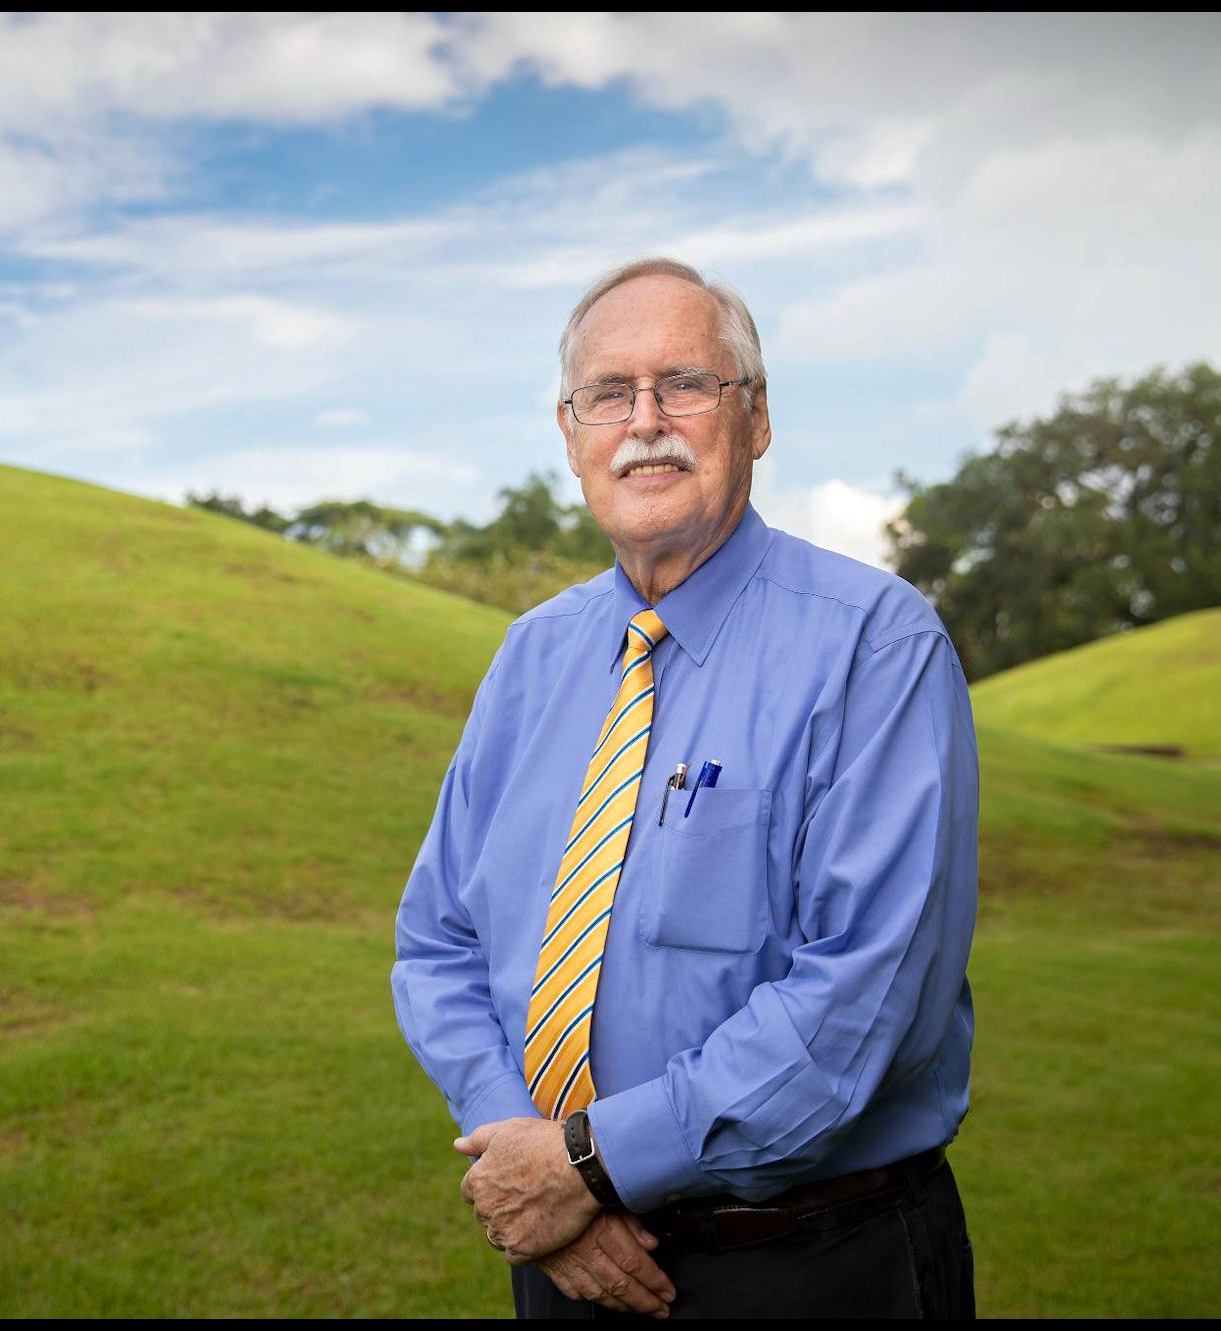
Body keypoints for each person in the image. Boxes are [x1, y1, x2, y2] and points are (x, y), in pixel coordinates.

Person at [390, 257, 980, 1319]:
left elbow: (863, 994)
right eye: (607, 393)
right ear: (570, 434)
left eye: (686, 384)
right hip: (566, 1259)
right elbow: (438, 942)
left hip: (810, 1265)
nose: (644, 420)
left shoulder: (876, 646)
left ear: (754, 418)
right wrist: (527, 1158)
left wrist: (586, 1164)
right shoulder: (532, 657)